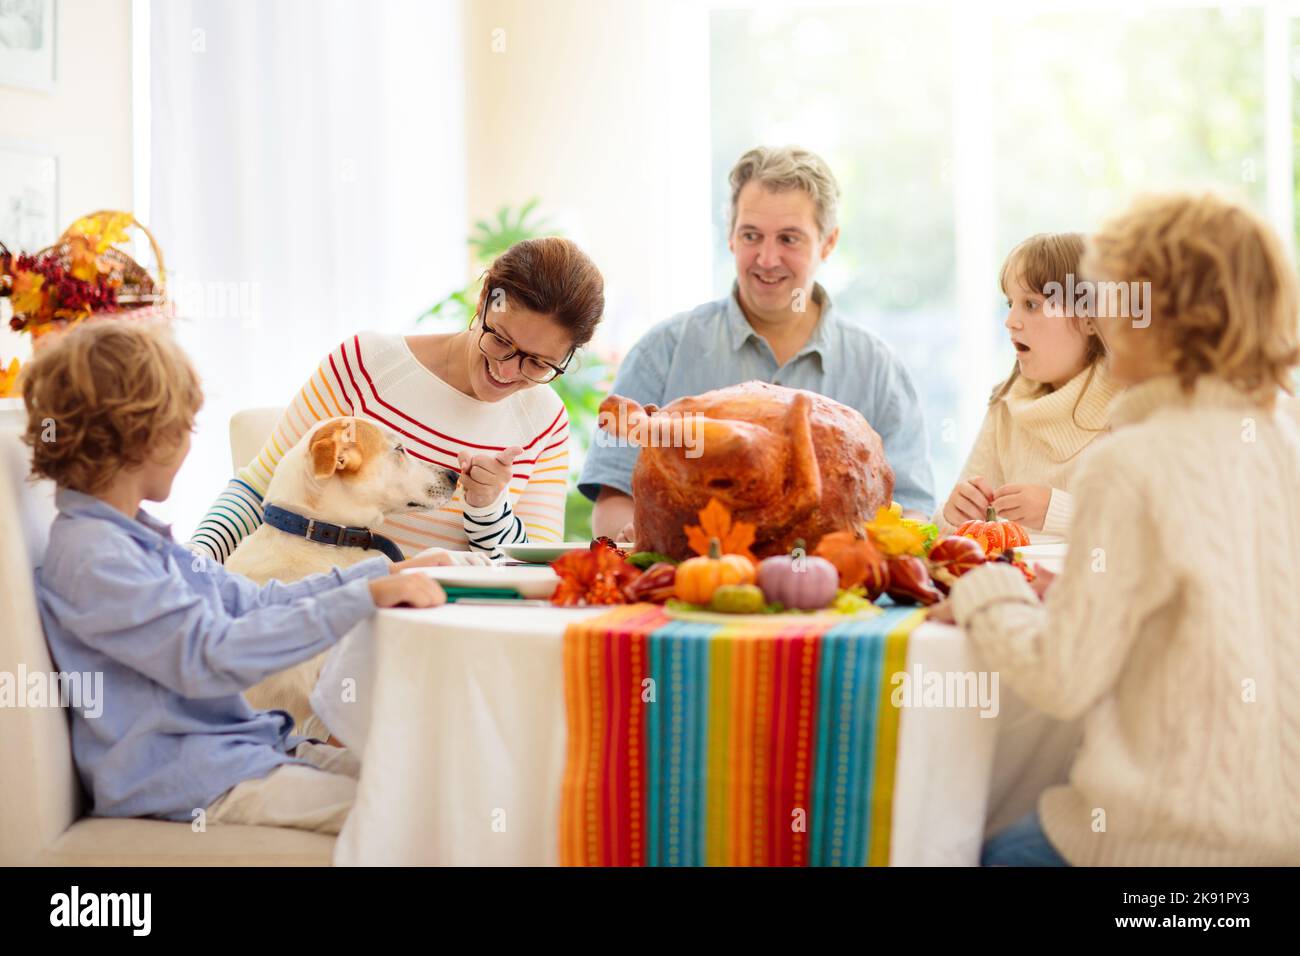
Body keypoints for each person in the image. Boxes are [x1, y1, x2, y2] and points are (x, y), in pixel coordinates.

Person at [951, 192, 1300, 866]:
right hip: (1285, 832)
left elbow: (1059, 678)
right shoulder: (1284, 435)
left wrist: (986, 590)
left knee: (980, 848)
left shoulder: (1131, 459)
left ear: (1156, 316)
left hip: (1159, 843)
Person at [24, 321, 459, 833]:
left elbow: (250, 601)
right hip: (190, 780)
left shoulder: (131, 538)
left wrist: (380, 575)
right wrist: (363, 595)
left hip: (236, 752)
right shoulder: (97, 557)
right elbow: (211, 656)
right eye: (185, 426)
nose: (189, 445)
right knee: (415, 814)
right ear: (141, 436)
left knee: (434, 782)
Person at [582, 146, 935, 540]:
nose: (767, 259)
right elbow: (612, 499)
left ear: (828, 242)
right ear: (731, 238)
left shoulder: (877, 369)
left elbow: (912, 510)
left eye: (789, 239)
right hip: (689, 593)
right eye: (751, 235)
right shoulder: (662, 351)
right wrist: (643, 541)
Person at [189, 237, 605, 563]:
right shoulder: (368, 366)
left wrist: (488, 508)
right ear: (483, 301)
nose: (509, 371)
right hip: (335, 619)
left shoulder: (544, 422)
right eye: (501, 340)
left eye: (537, 363)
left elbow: (535, 571)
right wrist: (195, 564)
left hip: (451, 639)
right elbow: (259, 489)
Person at [938, 232, 1122, 538]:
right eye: (1011, 303)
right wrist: (953, 516)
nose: (1010, 320)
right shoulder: (1007, 404)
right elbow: (947, 539)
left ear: (1091, 318)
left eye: (1031, 304)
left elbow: (1155, 527)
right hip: (1019, 584)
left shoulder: (1131, 406)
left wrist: (1056, 510)